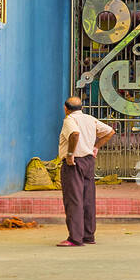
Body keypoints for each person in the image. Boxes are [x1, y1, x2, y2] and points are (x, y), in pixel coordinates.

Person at [57, 96, 115, 247]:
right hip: (88, 161)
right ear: (82, 107)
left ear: (65, 108)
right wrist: (96, 147)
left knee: (74, 199)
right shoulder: (90, 119)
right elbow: (110, 131)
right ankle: (88, 235)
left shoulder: (69, 120)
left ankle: (75, 238)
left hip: (74, 163)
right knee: (88, 198)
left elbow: (74, 134)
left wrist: (70, 154)